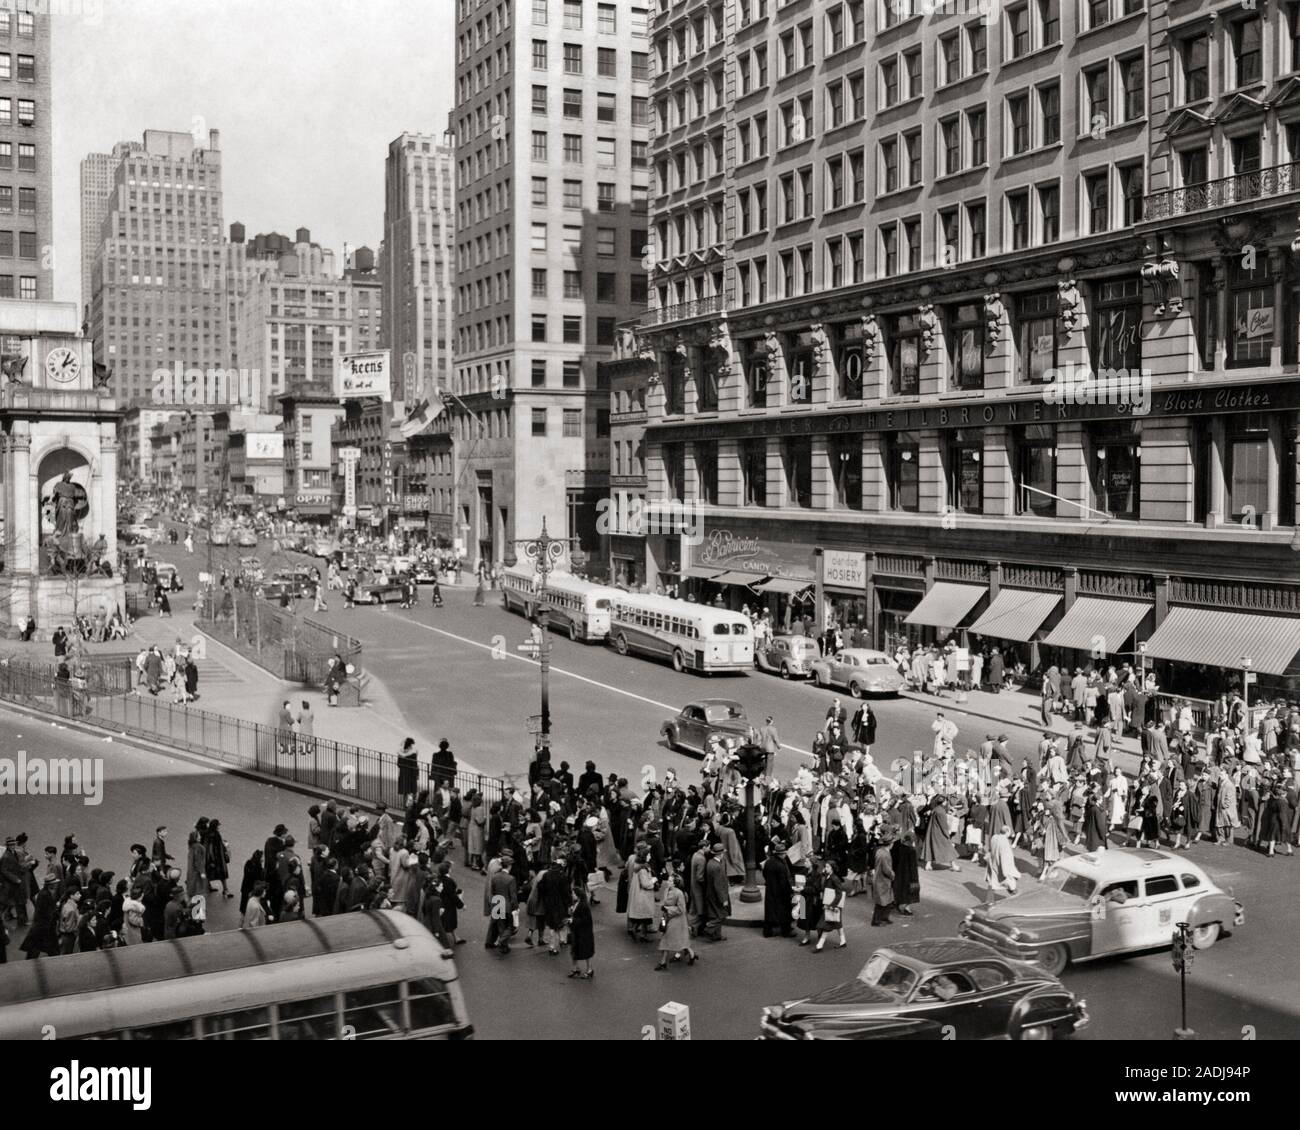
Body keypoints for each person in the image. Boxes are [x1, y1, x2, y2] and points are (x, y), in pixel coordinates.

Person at [655, 870, 696, 970]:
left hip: (677, 920)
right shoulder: (666, 890)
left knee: (666, 939)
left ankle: (663, 963)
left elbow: (682, 909)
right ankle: (692, 955)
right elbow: (664, 902)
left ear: (675, 883)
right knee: (679, 940)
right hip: (668, 918)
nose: (667, 882)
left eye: (670, 881)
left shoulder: (679, 893)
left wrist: (668, 909)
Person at [761, 839, 794, 938]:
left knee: (770, 911)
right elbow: (783, 882)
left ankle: (767, 931)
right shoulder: (781, 865)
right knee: (785, 911)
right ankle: (786, 931)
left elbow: (764, 874)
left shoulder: (768, 862)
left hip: (770, 890)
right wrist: (790, 891)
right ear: (782, 854)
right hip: (780, 893)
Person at [814, 861, 846, 951]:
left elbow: (839, 894)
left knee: (826, 925)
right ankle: (843, 941)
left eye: (827, 867)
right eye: (825, 867)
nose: (825, 868)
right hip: (831, 905)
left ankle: (820, 945)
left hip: (832, 905)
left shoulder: (834, 879)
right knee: (837, 923)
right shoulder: (828, 877)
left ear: (832, 868)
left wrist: (832, 905)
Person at [702, 841, 730, 942]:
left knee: (715, 914)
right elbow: (718, 885)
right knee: (722, 915)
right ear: (720, 854)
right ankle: (709, 928)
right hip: (717, 895)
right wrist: (723, 899)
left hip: (711, 894)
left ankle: (717, 935)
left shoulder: (711, 863)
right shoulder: (716, 866)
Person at [871, 826, 897, 926]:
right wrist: (892, 875)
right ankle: (876, 921)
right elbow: (886, 869)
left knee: (887, 901)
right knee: (881, 903)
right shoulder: (885, 854)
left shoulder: (880, 851)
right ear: (890, 844)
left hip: (879, 879)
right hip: (882, 880)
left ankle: (884, 918)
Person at [567, 887, 595, 980]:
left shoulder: (583, 906)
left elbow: (585, 920)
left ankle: (589, 970)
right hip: (577, 932)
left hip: (583, 933)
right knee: (574, 950)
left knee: (586, 952)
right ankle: (576, 968)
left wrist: (572, 920)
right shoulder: (577, 904)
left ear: (578, 895)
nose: (572, 895)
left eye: (573, 894)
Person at [891, 829, 920, 918]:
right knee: (908, 891)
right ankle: (905, 908)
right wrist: (915, 879)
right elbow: (913, 866)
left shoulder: (898, 847)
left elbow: (893, 859)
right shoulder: (911, 851)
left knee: (898, 888)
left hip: (898, 872)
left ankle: (897, 902)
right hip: (908, 875)